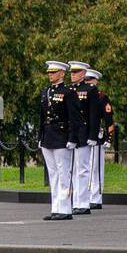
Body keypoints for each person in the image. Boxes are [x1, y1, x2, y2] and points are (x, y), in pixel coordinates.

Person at [39, 61, 81, 220]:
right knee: (53, 174)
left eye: (54, 72)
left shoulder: (68, 93)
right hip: (48, 136)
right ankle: (55, 207)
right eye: (49, 72)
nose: (50, 75)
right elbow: (41, 117)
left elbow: (75, 118)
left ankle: (65, 209)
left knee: (64, 173)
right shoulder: (46, 92)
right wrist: (40, 136)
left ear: (62, 74)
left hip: (62, 136)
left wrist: (72, 138)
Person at [67, 61, 99, 215]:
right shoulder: (68, 89)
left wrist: (93, 135)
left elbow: (94, 115)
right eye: (72, 72)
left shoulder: (90, 90)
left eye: (76, 72)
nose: (73, 74)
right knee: (73, 169)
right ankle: (76, 202)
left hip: (84, 133)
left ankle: (84, 203)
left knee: (83, 169)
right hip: (71, 133)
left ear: (83, 74)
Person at [83, 69, 113, 209]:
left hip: (98, 135)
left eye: (90, 80)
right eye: (86, 80)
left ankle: (96, 197)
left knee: (96, 168)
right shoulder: (81, 95)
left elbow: (108, 118)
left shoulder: (102, 97)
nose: (87, 82)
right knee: (85, 167)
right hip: (84, 135)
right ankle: (85, 196)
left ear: (96, 81)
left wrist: (109, 137)